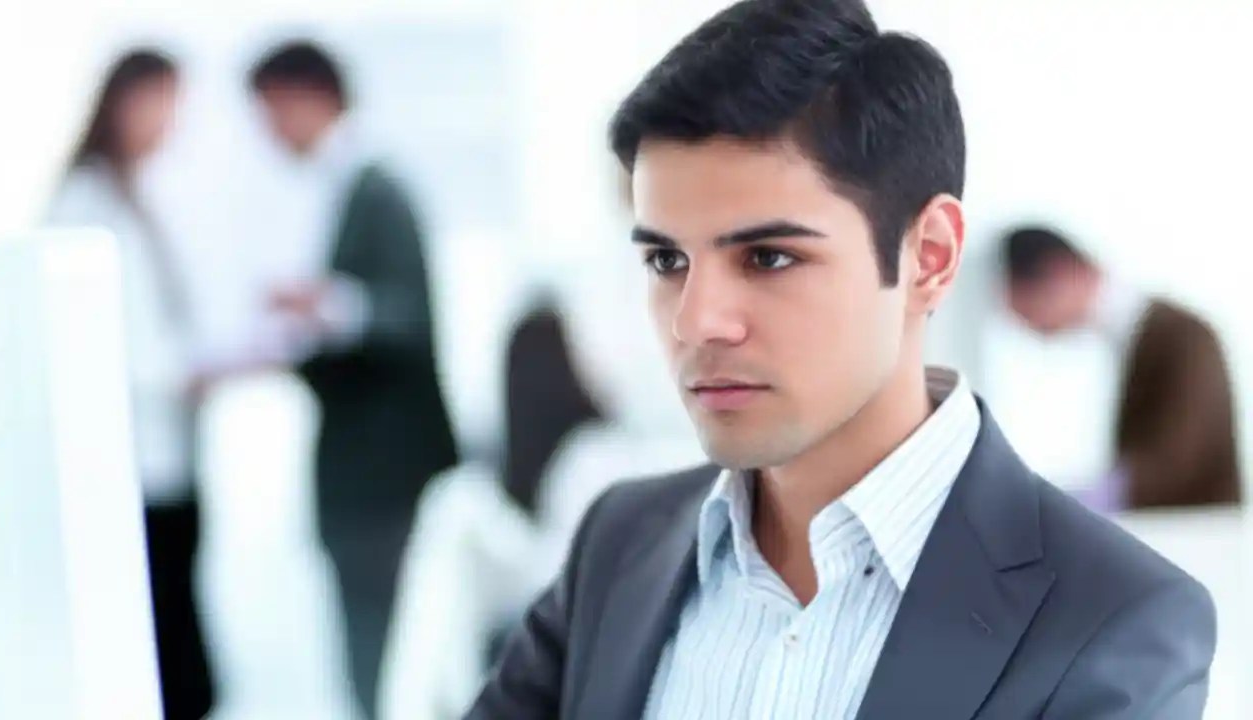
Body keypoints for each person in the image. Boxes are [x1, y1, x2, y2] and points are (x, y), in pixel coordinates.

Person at [467, 1, 1217, 718]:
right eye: (667, 261)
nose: (697, 322)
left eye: (767, 257)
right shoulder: (621, 539)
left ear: (929, 257)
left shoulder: (1115, 622)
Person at [247, 40, 459, 719]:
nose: (270, 133)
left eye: (272, 112)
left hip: (386, 473)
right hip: (361, 472)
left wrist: (328, 306)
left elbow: (408, 319)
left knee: (393, 661)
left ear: (307, 97)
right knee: (372, 654)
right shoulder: (339, 189)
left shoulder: (377, 190)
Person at [47, 49, 214, 720]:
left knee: (179, 639)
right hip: (132, 461)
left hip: (170, 458)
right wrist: (194, 368)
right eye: (162, 103)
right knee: (162, 650)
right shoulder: (85, 204)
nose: (171, 122)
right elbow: (112, 344)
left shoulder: (134, 194)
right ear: (122, 102)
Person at [1003, 225, 1241, 510]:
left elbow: (1180, 462)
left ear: (1060, 272)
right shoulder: (1134, 337)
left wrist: (1087, 499)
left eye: (1033, 315)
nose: (1040, 334)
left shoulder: (1183, 336)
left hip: (1204, 534)